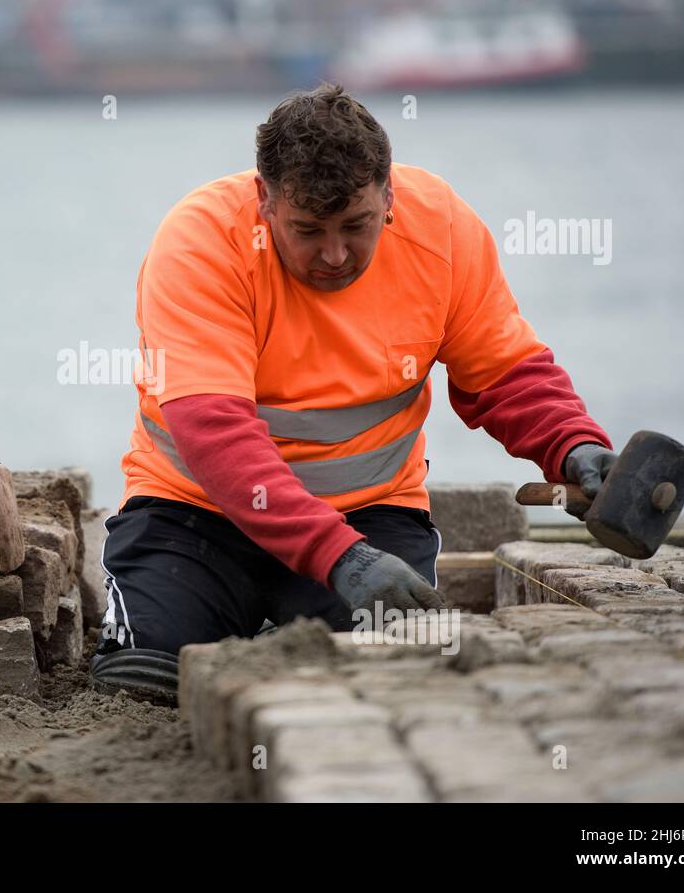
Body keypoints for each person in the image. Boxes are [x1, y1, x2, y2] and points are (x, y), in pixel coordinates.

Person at [90, 82, 616, 704]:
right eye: (308, 230)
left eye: (357, 226)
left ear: (389, 193)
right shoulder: (201, 244)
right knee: (145, 678)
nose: (335, 254)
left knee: (389, 671)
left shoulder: (440, 229)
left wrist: (577, 450)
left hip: (367, 517)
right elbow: (217, 437)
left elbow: (505, 373)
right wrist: (337, 558)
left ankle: (277, 637)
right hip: (197, 515)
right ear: (264, 198)